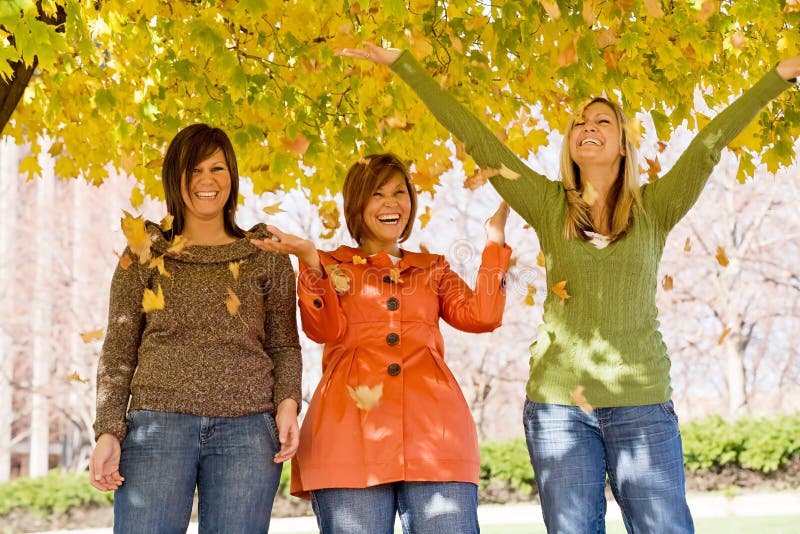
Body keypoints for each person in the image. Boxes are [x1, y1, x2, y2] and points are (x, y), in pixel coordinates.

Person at [339, 44, 800, 533]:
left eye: (602, 121)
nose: (588, 129)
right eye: (580, 123)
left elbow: (711, 142)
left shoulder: (655, 209)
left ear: (623, 143)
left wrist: (780, 77)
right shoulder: (546, 203)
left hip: (640, 402)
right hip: (558, 410)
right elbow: (475, 137)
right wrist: (402, 64)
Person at [251, 153, 511, 533]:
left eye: (399, 192)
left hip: (435, 435)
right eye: (377, 194)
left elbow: (483, 315)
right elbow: (323, 330)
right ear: (357, 203)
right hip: (347, 435)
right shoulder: (329, 265)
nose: (392, 204)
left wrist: (495, 241)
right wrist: (309, 260)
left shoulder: (432, 268)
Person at [89, 124, 302, 534]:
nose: (207, 181)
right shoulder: (144, 252)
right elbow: (117, 350)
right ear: (176, 178)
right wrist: (109, 430)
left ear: (232, 177)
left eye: (217, 168)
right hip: (157, 425)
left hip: (248, 430)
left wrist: (288, 402)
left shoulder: (266, 256)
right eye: (194, 170)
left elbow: (284, 345)